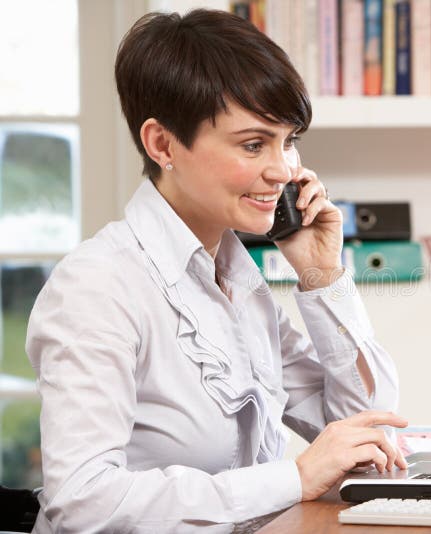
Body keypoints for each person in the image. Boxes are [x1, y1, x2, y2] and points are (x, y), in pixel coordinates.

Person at [25, 9, 406, 533]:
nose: (283, 170)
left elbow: (365, 429)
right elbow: (83, 501)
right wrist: (292, 477)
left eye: (288, 140)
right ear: (162, 145)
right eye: (254, 144)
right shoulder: (97, 286)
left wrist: (322, 276)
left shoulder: (236, 279)